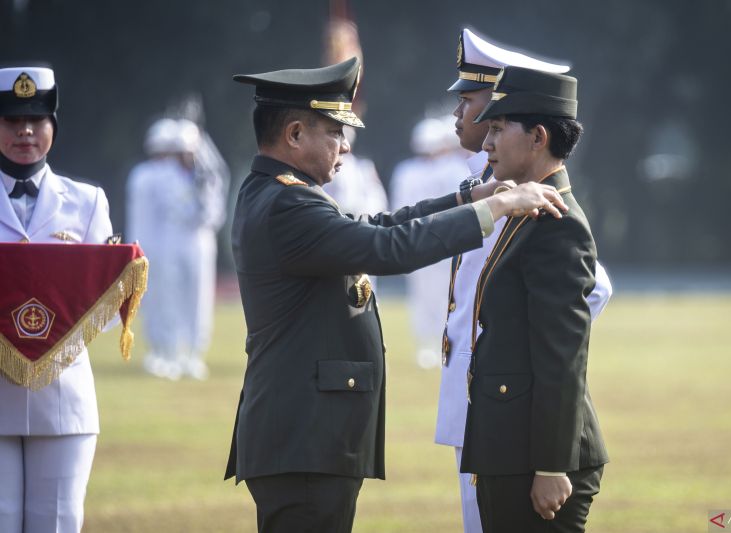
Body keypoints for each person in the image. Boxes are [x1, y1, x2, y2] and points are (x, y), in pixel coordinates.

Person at [224, 56, 571, 533]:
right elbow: (384, 248)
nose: (344, 146)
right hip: (304, 438)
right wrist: (496, 206)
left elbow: (374, 227)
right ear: (296, 134)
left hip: (304, 436)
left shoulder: (277, 193)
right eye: (334, 132)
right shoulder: (288, 202)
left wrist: (465, 199)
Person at [436, 28, 613, 533]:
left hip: (531, 447)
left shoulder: (554, 220)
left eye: (499, 128)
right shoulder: (522, 206)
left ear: (538, 137)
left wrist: (552, 463)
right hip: (504, 435)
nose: (487, 139)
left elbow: (563, 352)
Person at [0, 65, 113, 532]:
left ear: (53, 126)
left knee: (57, 523)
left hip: (63, 396)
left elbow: (104, 308)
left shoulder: (88, 202)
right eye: (10, 119)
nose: (25, 130)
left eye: (37, 118)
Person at [127, 117, 229, 380]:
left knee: (198, 296)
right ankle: (169, 351)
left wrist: (205, 202)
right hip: (171, 239)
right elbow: (170, 210)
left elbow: (215, 211)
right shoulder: (162, 176)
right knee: (167, 296)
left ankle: (194, 354)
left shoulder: (207, 172)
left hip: (199, 240)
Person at [390, 115, 469, 368]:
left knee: (425, 297)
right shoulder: (453, 167)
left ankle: (429, 347)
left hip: (412, 238)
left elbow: (396, 208)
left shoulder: (405, 170)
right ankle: (438, 345)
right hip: (443, 240)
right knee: (446, 295)